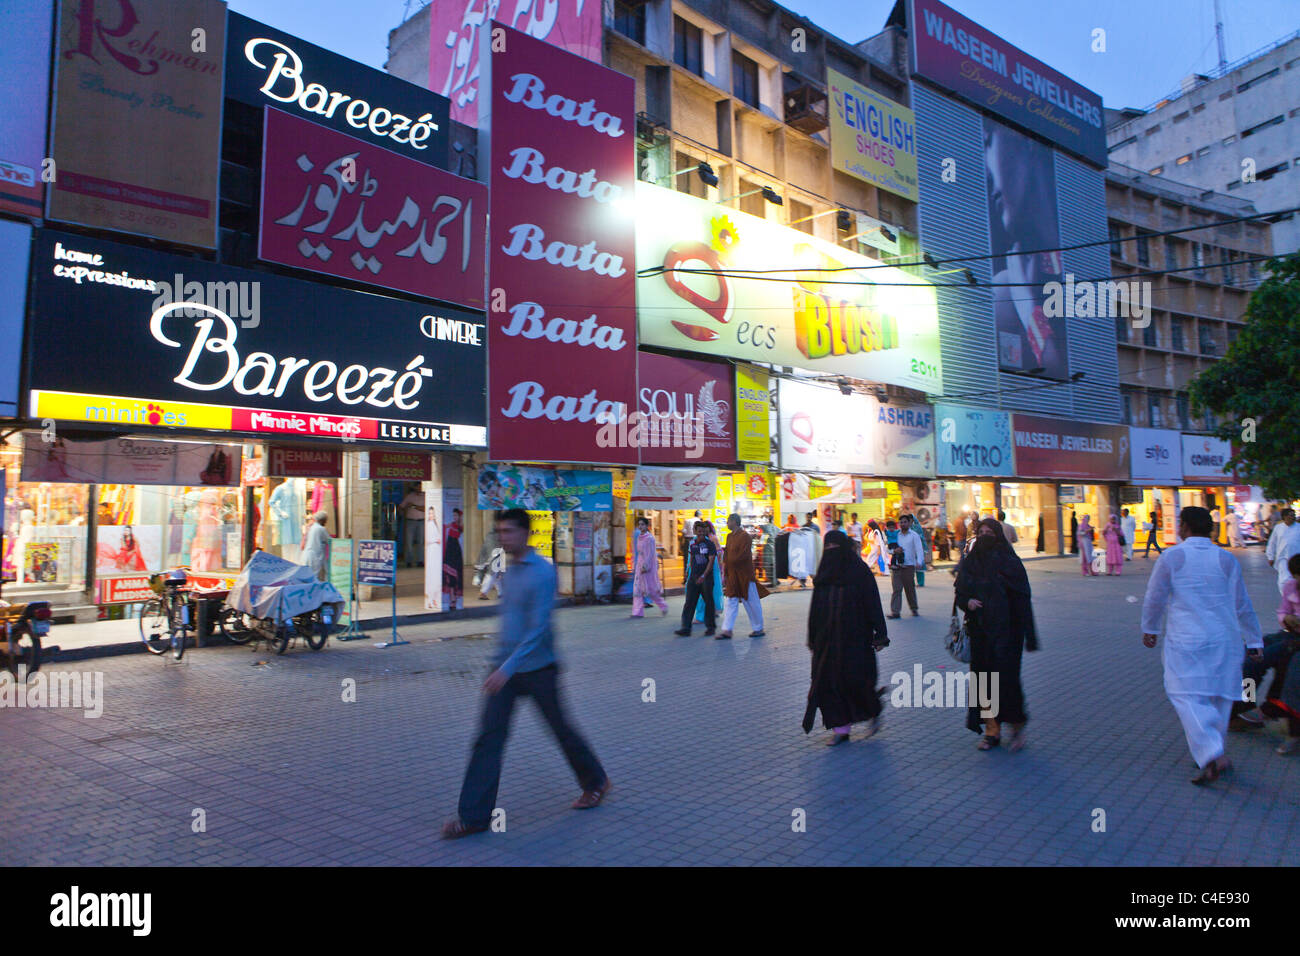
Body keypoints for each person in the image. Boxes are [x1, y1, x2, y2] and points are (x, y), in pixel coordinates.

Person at [441, 509, 610, 839]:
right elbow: (510, 619)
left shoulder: (543, 572)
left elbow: (537, 629)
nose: (503, 538)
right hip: (505, 667)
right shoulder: (507, 567)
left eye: (508, 532)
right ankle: (473, 817)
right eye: (500, 532)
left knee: (561, 729)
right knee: (489, 738)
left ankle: (595, 781)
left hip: (538, 668)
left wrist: (505, 669)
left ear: (525, 534)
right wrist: (499, 662)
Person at [1142, 506, 1263, 785]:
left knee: (1184, 693)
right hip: (1225, 639)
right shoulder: (1227, 559)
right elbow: (1242, 603)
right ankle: (1213, 753)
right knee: (1219, 696)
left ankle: (1212, 754)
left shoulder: (1172, 557)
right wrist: (1254, 639)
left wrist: (1150, 628)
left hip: (1187, 640)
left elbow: (1155, 597)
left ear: (1184, 527)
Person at [955, 518, 1038, 751]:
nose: (984, 536)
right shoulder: (971, 561)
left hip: (1008, 634)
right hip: (980, 633)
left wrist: (1030, 634)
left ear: (998, 535)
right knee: (983, 682)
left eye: (989, 532)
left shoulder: (1010, 562)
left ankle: (1016, 727)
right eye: (980, 532)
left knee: (1007, 682)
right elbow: (960, 591)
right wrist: (967, 602)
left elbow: (1023, 599)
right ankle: (992, 731)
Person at [802, 529, 889, 745]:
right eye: (828, 548)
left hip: (855, 639)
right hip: (827, 641)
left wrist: (880, 634)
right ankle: (841, 729)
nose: (831, 552)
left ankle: (873, 711)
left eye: (835, 547)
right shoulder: (823, 574)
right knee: (829, 684)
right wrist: (812, 637)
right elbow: (815, 608)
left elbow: (873, 603)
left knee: (857, 682)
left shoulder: (859, 571)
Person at [1234, 552, 1300, 755]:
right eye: (1296, 576)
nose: (1298, 581)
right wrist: (1287, 618)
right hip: (1290, 634)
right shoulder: (1291, 586)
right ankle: (1245, 705)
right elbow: (1282, 611)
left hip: (1294, 642)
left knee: (1288, 661)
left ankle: (1272, 712)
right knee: (1251, 657)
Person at [718, 513, 769, 639]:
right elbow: (727, 555)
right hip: (733, 574)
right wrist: (726, 570)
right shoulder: (729, 536)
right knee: (731, 600)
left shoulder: (745, 536)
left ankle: (758, 628)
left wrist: (729, 563)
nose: (727, 523)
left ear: (734, 521)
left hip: (745, 574)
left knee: (751, 601)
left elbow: (743, 555)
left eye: (728, 521)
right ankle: (727, 630)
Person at [675, 522, 717, 637]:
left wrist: (703, 576)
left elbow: (711, 561)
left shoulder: (710, 544)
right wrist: (689, 573)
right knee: (689, 602)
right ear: (694, 531)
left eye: (703, 531)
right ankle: (686, 628)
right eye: (698, 531)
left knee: (708, 602)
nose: (701, 533)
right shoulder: (692, 543)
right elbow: (691, 559)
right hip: (694, 577)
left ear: (706, 531)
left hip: (706, 578)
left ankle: (711, 627)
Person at [886, 514, 925, 619]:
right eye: (901, 522)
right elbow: (887, 548)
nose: (903, 524)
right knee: (896, 589)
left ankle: (914, 608)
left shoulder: (914, 535)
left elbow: (919, 549)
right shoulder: (895, 535)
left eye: (905, 522)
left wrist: (919, 562)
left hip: (908, 566)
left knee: (909, 588)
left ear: (909, 523)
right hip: (897, 566)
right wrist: (894, 551)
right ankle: (895, 612)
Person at [630, 517, 667, 618]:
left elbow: (650, 554)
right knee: (637, 589)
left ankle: (663, 606)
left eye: (643, 524)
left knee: (650, 589)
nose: (640, 527)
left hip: (648, 566)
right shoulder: (639, 537)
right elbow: (637, 551)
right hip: (639, 564)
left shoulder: (650, 538)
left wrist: (645, 566)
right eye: (639, 524)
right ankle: (637, 612)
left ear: (647, 526)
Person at [693, 520, 724, 626]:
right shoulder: (700, 539)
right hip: (703, 568)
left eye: (706, 527)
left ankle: (703, 615)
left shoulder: (712, 538)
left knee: (709, 591)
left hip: (712, 567)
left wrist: (719, 565)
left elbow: (719, 552)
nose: (704, 530)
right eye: (702, 528)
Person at [1265, 509, 1300, 596]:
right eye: (1291, 515)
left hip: (1297, 558)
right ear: (1284, 517)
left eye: (1294, 515)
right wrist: (1270, 557)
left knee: (1296, 579)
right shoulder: (1278, 528)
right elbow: (1272, 543)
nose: (1293, 517)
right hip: (1282, 558)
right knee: (1283, 581)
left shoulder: (1298, 527)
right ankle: (1287, 599)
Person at [399, 486, 426, 568]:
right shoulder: (410, 496)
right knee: (408, 542)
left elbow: (424, 509)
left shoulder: (425, 496)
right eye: (417, 486)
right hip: (410, 521)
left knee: (420, 542)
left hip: (421, 521)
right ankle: (409, 561)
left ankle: (420, 561)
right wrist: (403, 512)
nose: (419, 488)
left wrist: (413, 506)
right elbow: (401, 507)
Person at [301, 510, 330, 581]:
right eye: (325, 520)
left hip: (307, 555)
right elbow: (329, 540)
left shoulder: (312, 527)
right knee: (314, 577)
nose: (326, 522)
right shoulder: (321, 529)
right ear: (322, 520)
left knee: (308, 577)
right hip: (314, 556)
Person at [443, 508, 464, 609]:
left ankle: (454, 598)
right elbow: (443, 527)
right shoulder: (451, 524)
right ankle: (452, 597)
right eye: (453, 515)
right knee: (449, 574)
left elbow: (457, 533)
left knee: (455, 574)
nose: (454, 517)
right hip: (449, 549)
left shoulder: (460, 526)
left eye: (456, 515)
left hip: (455, 550)